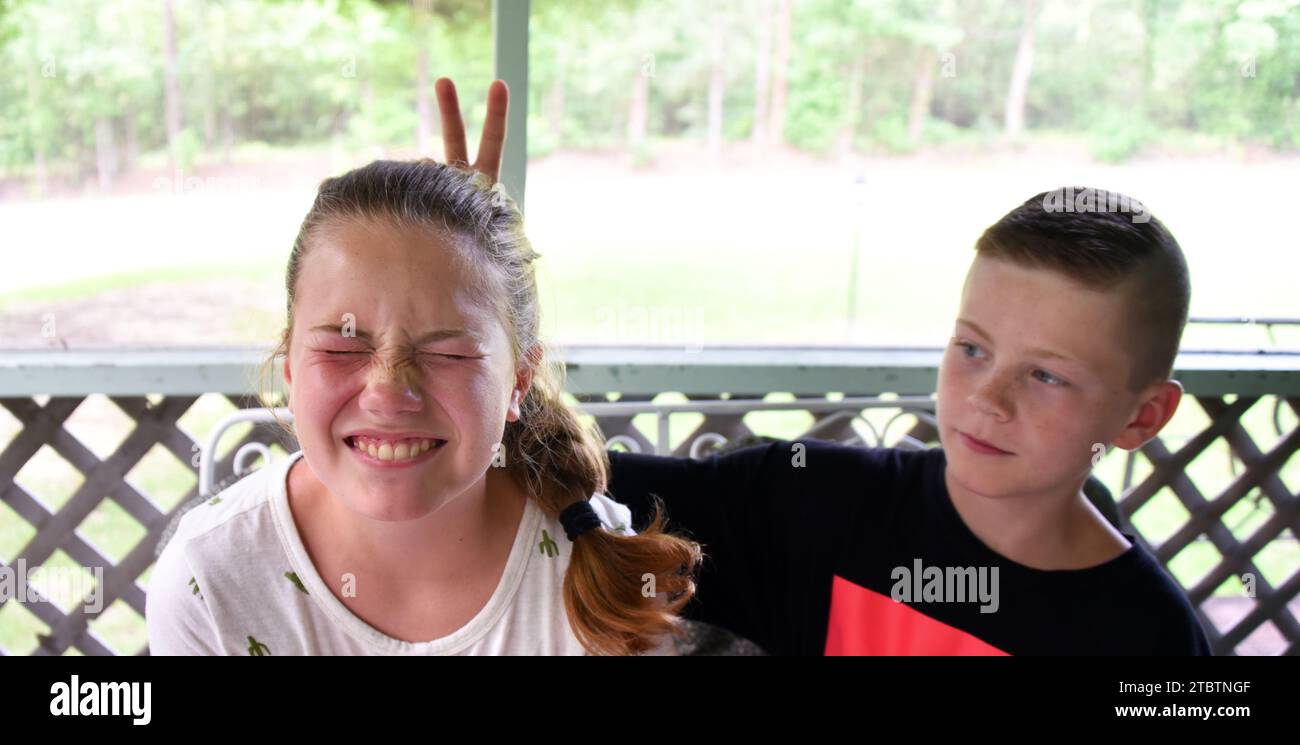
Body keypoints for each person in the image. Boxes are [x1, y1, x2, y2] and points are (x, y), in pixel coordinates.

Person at [146, 80, 700, 656]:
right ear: (288, 366)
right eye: (342, 346)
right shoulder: (210, 580)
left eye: (448, 353)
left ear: (518, 380)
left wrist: (471, 250)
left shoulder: (600, 574)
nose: (389, 393)